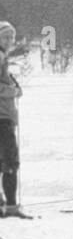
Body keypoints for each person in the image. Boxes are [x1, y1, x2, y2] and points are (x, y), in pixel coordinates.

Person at [0, 20, 27, 219]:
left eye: (11, 37)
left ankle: (5, 203)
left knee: (5, 160)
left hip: (5, 116)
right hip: (2, 118)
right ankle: (11, 206)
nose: (9, 40)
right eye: (5, 36)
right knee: (10, 161)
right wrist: (14, 91)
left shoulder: (4, 57)